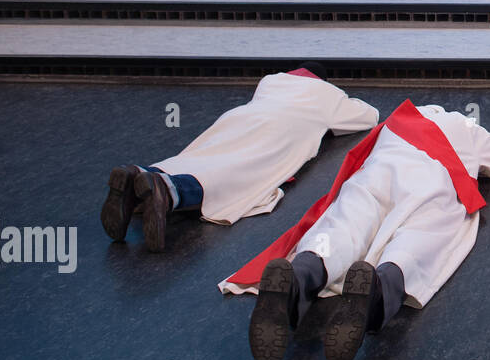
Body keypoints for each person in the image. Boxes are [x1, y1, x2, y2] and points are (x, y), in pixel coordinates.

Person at [222, 99, 490, 360]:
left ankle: (298, 279)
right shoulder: (463, 125)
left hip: (375, 174)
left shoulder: (394, 122)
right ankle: (375, 291)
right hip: (429, 182)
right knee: (414, 243)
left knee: (342, 230)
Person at [101, 64, 378, 255]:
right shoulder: (327, 94)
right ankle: (170, 191)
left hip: (240, 118)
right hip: (280, 131)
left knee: (204, 155)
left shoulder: (271, 80)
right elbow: (368, 116)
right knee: (236, 174)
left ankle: (140, 174)